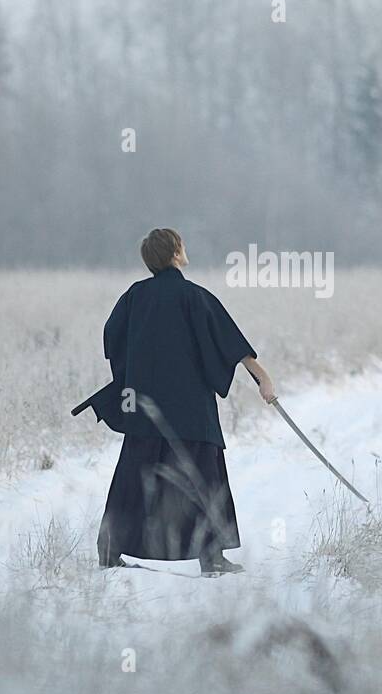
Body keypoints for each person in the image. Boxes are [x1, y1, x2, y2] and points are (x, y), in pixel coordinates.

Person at [72, 228, 275, 576]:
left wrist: (132, 374)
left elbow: (112, 339)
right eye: (182, 244)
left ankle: (109, 551)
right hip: (191, 410)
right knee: (204, 479)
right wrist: (263, 379)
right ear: (176, 253)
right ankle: (211, 558)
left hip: (144, 409)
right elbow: (229, 341)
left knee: (133, 478)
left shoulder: (134, 297)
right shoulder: (194, 296)